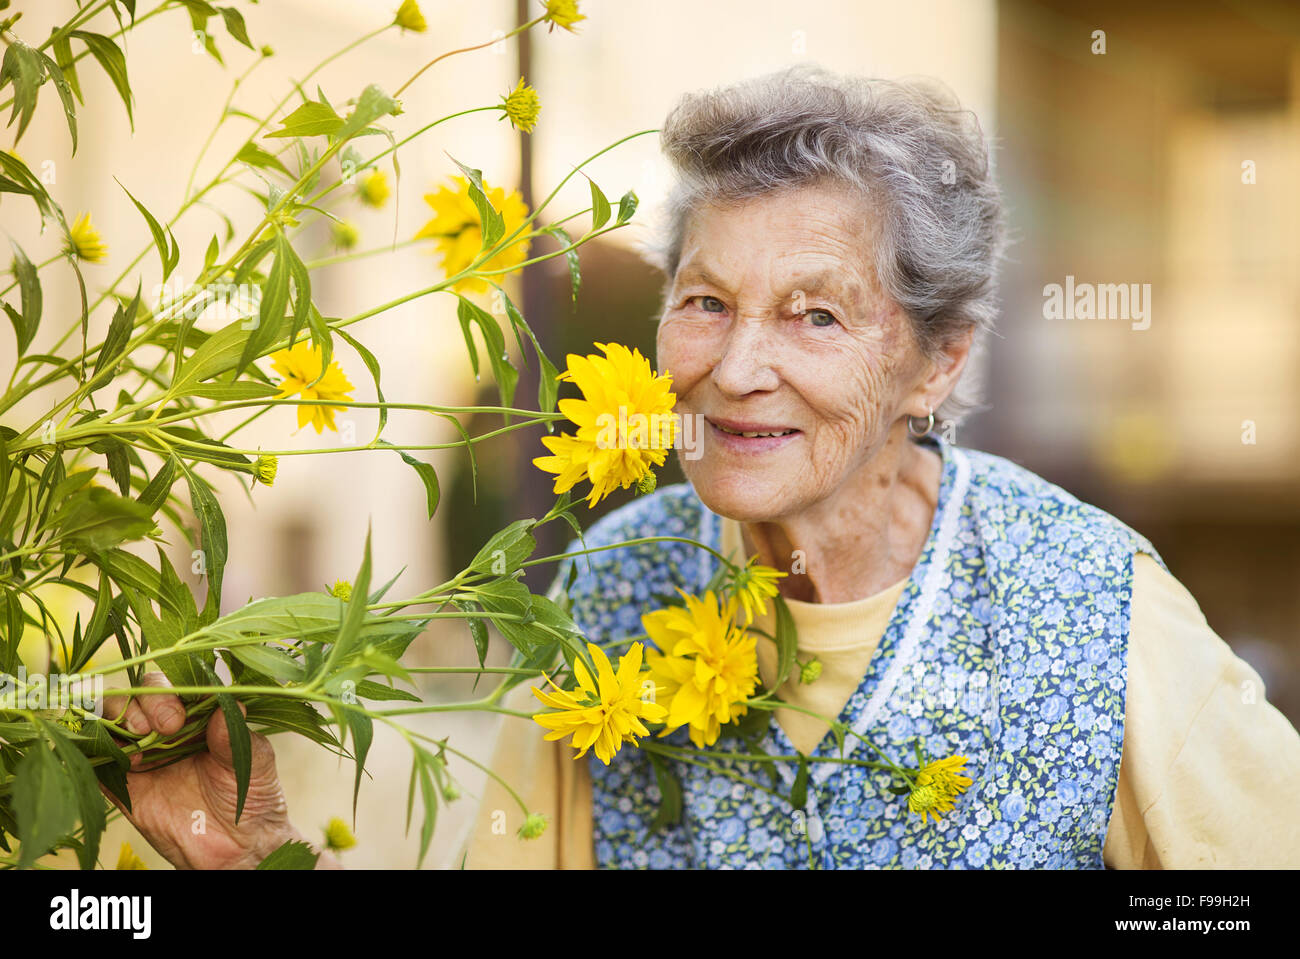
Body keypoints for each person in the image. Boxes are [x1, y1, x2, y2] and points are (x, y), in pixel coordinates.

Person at [112, 64, 1300, 869]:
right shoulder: (609, 587)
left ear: (938, 361)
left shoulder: (1094, 606)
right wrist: (247, 846)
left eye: (815, 317)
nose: (735, 368)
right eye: (704, 302)